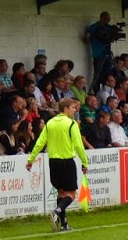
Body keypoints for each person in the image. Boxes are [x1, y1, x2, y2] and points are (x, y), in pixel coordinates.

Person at [26, 96, 89, 232]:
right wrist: (85, 162)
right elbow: (79, 145)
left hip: (53, 162)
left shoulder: (50, 123)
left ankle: (64, 224)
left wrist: (31, 159)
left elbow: (40, 143)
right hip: (66, 161)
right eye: (72, 107)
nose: (74, 110)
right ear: (65, 109)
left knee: (61, 193)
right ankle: (57, 211)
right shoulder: (71, 124)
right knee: (71, 195)